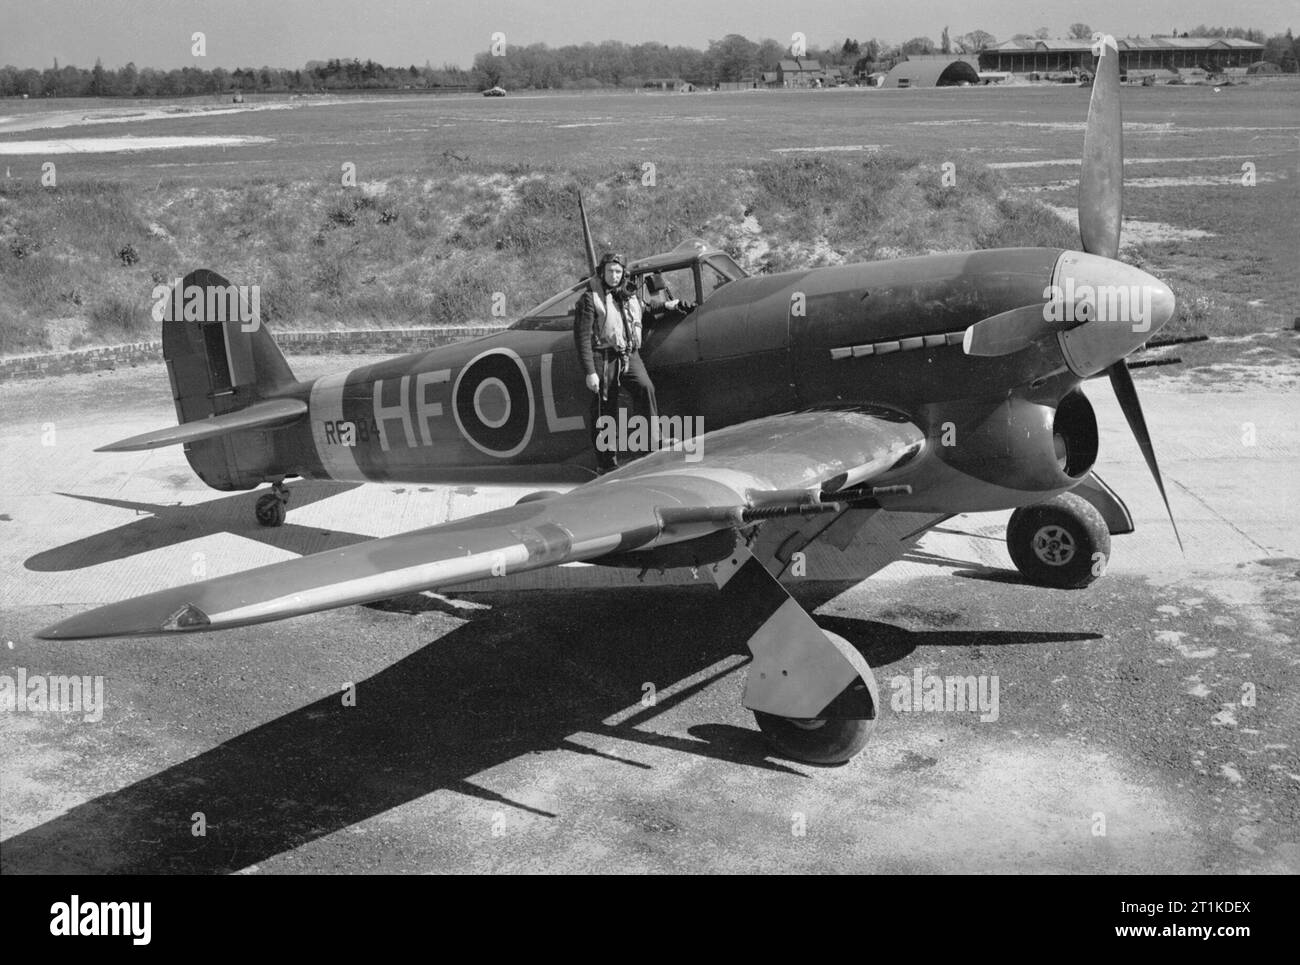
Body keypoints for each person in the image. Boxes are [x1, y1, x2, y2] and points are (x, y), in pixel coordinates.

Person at [573, 251, 658, 473]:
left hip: (629, 354)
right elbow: (581, 337)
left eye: (618, 271)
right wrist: (590, 371)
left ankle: (650, 445)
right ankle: (606, 462)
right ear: (602, 272)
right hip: (604, 356)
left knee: (645, 387)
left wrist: (667, 306)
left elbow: (644, 312)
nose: (614, 275)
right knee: (605, 408)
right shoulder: (590, 299)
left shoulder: (627, 294)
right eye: (610, 270)